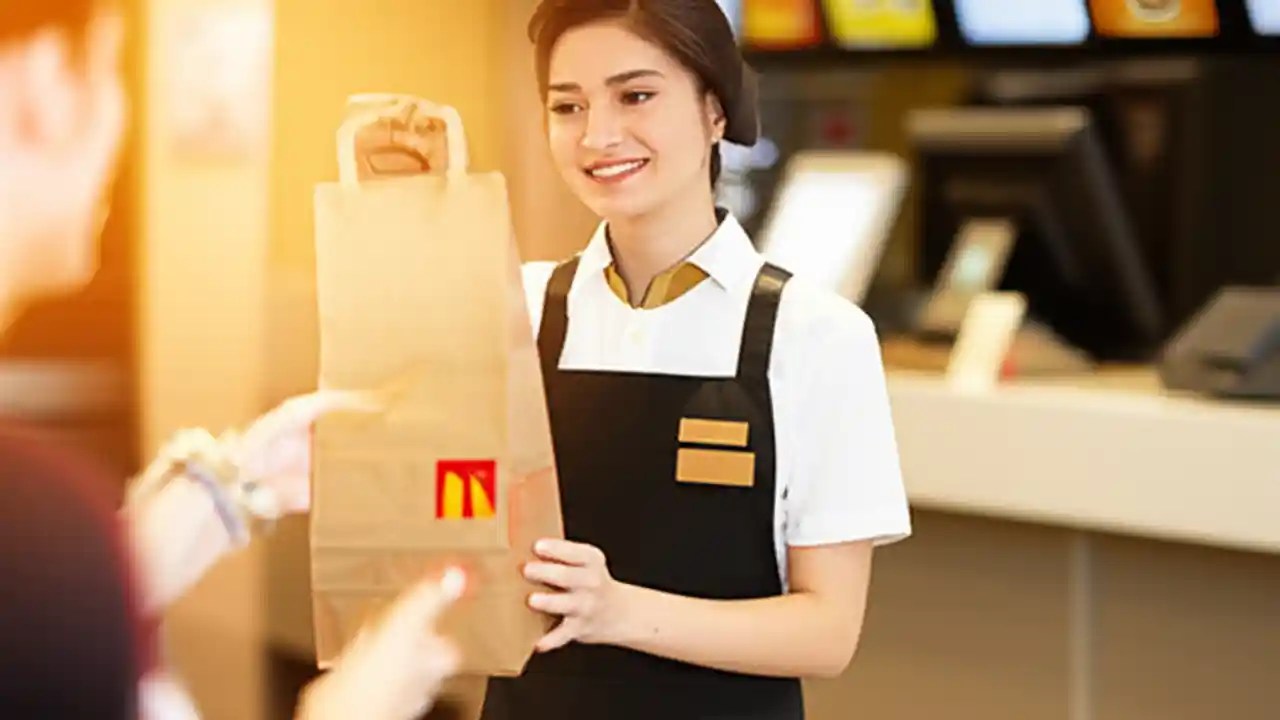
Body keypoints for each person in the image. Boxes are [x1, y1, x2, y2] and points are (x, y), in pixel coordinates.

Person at [0, 1, 462, 718]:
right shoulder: (34, 504)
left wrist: (236, 483)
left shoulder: (37, 523)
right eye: (115, 69)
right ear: (52, 84)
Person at [479, 1, 913, 718]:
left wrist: (616, 611)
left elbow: (827, 633)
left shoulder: (819, 334)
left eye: (636, 95)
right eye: (567, 105)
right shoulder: (510, 308)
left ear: (716, 111)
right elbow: (445, 508)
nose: (598, 135)